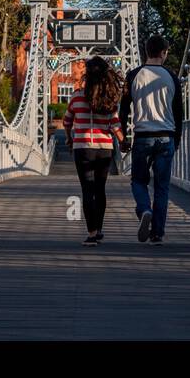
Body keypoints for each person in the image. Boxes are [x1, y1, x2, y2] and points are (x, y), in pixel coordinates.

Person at [119, 34, 183, 244]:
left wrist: (122, 137)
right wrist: (177, 139)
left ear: (146, 51)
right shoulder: (172, 77)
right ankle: (157, 233)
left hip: (142, 137)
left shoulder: (133, 75)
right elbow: (179, 113)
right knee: (162, 188)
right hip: (166, 138)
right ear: (163, 53)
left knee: (138, 180)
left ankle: (145, 209)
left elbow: (123, 110)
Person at [62, 56, 124, 246]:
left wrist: (69, 137)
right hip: (104, 150)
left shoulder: (76, 96)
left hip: (82, 149)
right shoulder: (109, 98)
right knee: (100, 189)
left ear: (87, 74)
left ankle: (91, 233)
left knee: (87, 190)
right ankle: (100, 229)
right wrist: (124, 142)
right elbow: (115, 125)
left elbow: (66, 122)